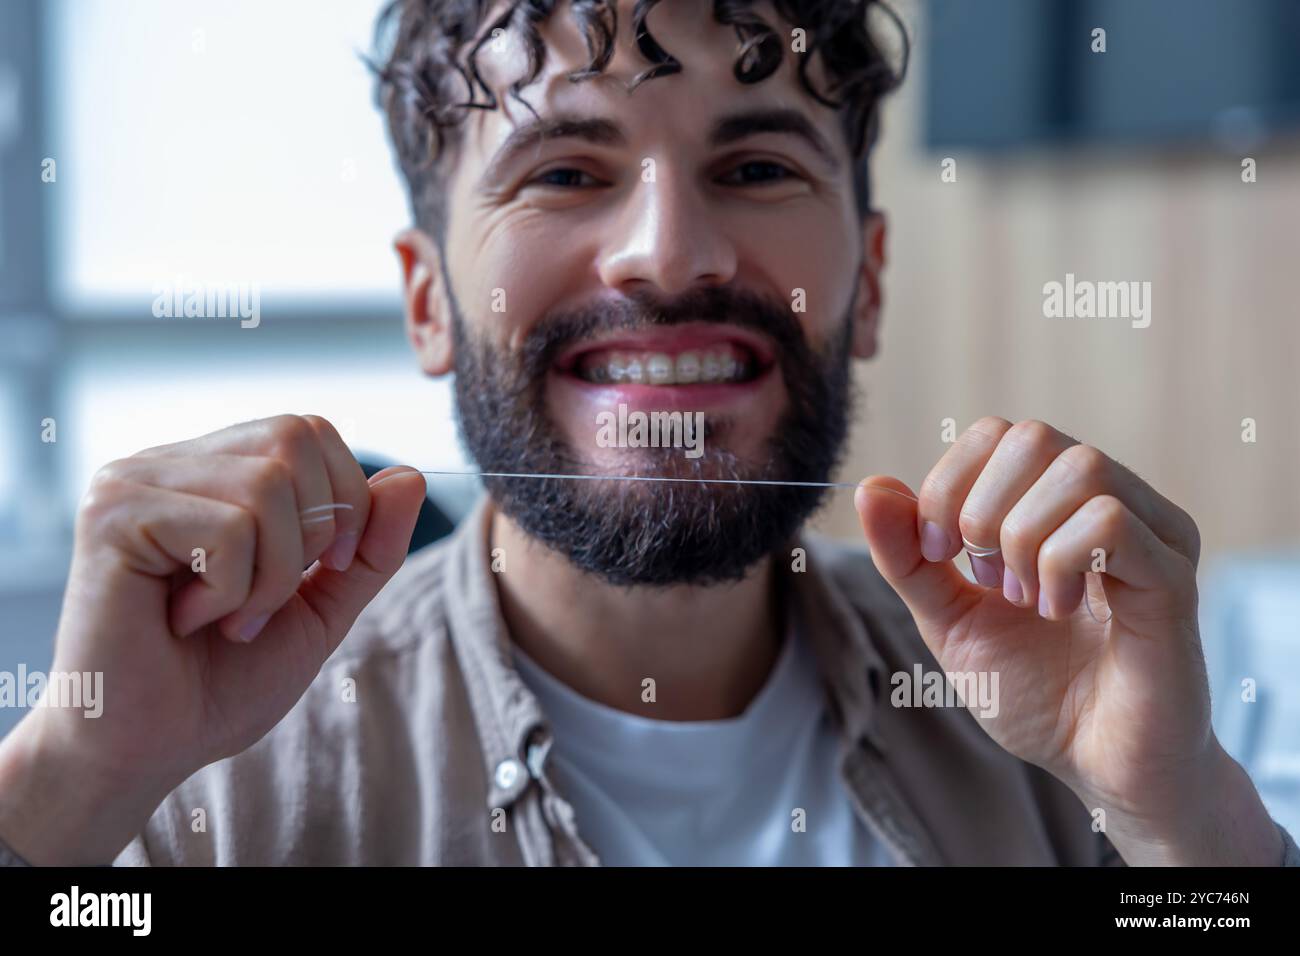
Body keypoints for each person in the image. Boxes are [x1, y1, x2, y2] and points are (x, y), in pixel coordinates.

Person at [1, 0, 1295, 867]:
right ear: (426, 300)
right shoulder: (214, 795)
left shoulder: (1037, 744)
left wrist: (1174, 806)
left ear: (873, 279)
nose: (669, 254)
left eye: (756, 168)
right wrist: (65, 781)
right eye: (566, 171)